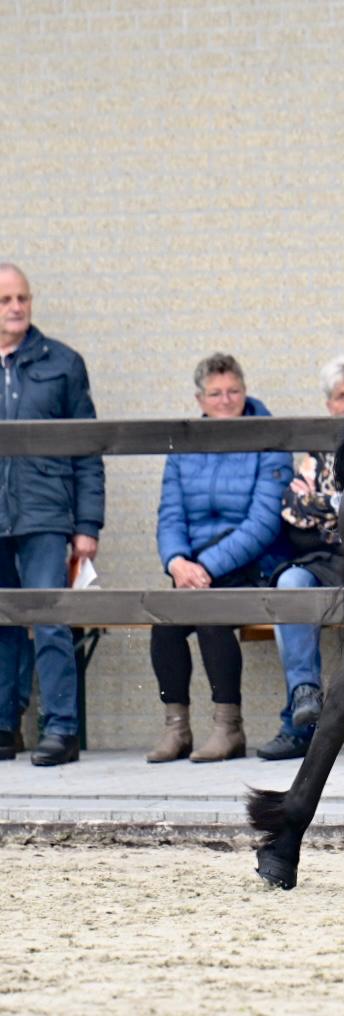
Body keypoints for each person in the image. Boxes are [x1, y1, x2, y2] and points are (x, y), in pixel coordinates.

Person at [149, 354, 292, 762]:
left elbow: (264, 523)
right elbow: (170, 514)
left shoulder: (270, 437)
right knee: (163, 624)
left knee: (211, 615)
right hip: (193, 568)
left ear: (245, 391)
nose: (226, 401)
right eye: (216, 394)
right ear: (201, 399)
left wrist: (206, 567)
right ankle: (176, 728)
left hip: (251, 564)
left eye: (234, 391)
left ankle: (228, 728)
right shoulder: (185, 445)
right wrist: (177, 561)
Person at [0, 264, 103, 766]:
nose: (16, 307)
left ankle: (60, 728)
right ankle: (3, 725)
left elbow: (88, 450)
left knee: (50, 620)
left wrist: (87, 526)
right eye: (6, 300)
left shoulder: (62, 362)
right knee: (1, 623)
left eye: (22, 298)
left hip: (44, 514)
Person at [258, 355, 344, 761]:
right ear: (329, 405)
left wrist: (326, 505)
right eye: (340, 396)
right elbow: (293, 508)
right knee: (290, 584)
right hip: (328, 559)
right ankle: (302, 703)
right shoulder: (318, 450)